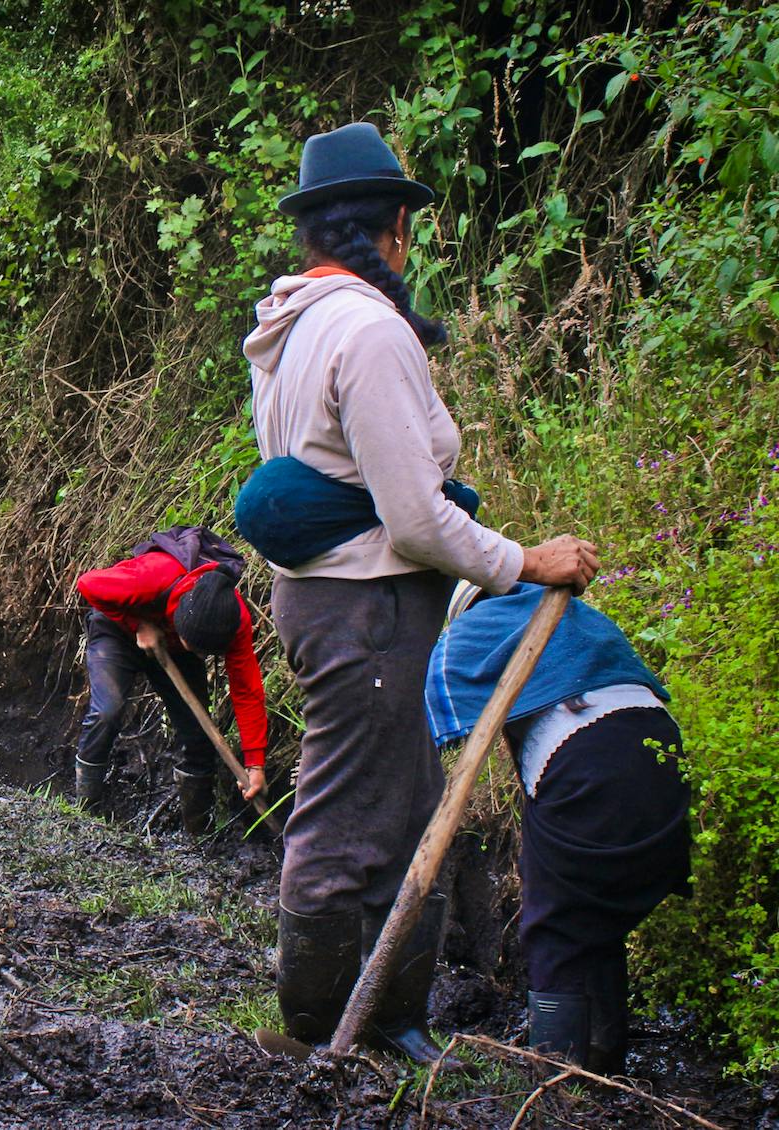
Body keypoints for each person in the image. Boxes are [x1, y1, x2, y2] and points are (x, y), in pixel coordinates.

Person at [235, 122, 598, 1063]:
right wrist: (527, 560)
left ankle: (391, 1015)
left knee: (401, 806)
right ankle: (318, 1026)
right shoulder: (367, 331)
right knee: (351, 812)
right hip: (368, 605)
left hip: (328, 600)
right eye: (407, 230)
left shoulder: (289, 326)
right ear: (389, 229)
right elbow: (414, 518)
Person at [426, 581, 689, 1075]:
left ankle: (561, 1077)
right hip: (660, 753)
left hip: (586, 761)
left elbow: (421, 718)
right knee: (593, 921)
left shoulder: (477, 627)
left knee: (557, 926)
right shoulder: (580, 617)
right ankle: (604, 1062)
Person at [72, 526, 268, 835]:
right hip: (117, 629)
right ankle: (85, 811)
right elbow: (88, 585)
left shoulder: (234, 619)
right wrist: (139, 623)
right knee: (108, 710)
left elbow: (248, 692)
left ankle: (198, 833)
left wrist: (255, 764)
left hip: (172, 646)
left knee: (198, 734)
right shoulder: (153, 575)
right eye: (195, 646)